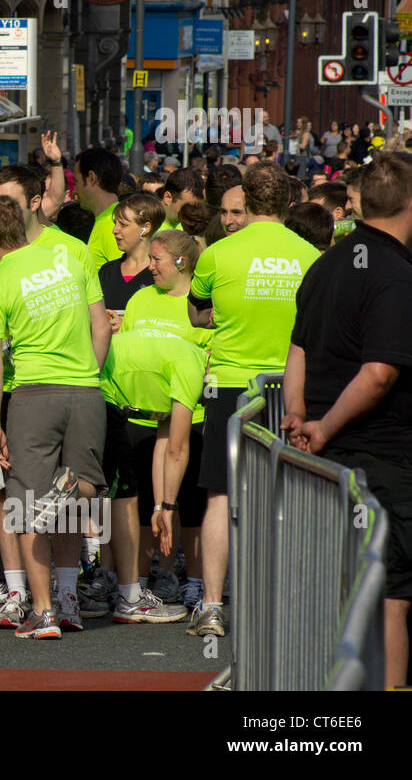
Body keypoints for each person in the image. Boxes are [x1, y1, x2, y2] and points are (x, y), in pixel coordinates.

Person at [283, 152, 412, 689]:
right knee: (391, 596)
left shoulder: (327, 263)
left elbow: (297, 351)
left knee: (345, 589)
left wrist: (296, 416)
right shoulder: (394, 274)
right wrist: (323, 425)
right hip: (381, 458)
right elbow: (379, 372)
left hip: (328, 459)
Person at [187, 161, 319, 638]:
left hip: (229, 384)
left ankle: (213, 605)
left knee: (220, 495)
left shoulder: (219, 253)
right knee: (288, 496)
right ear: (287, 202)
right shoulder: (310, 255)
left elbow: (197, 311)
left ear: (249, 204)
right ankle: (286, 604)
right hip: (290, 387)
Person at [0, 196, 111, 639]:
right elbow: (101, 325)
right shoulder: (70, 258)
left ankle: (44, 612)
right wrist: (88, 374)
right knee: (73, 493)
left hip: (34, 393)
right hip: (85, 389)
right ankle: (69, 597)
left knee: (27, 507)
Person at [99, 329, 204, 624]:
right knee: (119, 495)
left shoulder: (178, 356)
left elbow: (164, 441)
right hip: (95, 385)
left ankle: (92, 584)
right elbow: (178, 449)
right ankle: (120, 592)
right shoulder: (192, 367)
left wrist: (161, 506)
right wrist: (170, 509)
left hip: (90, 375)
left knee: (104, 489)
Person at [100, 191, 163, 322]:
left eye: (123, 224)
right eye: (115, 223)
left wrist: (125, 324)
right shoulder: (107, 271)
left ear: (146, 228)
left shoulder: (161, 272)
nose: (114, 230)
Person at [74, 148, 124, 271]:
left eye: (77, 181)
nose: (74, 191)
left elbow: (127, 280)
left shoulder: (111, 224)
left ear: (92, 178)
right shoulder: (111, 219)